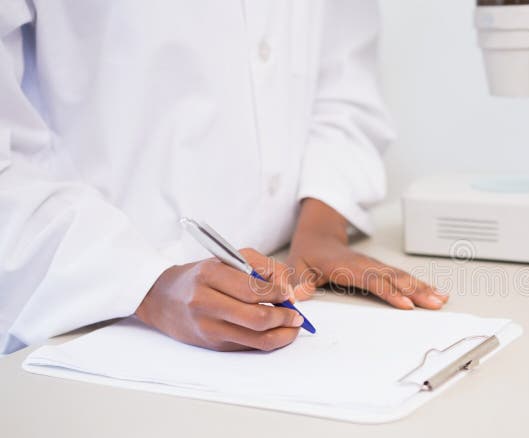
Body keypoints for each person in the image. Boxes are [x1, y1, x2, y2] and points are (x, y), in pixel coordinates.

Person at [0, 1, 447, 355]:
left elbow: (343, 82)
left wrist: (322, 229)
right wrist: (143, 284)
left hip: (281, 268)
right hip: (84, 306)